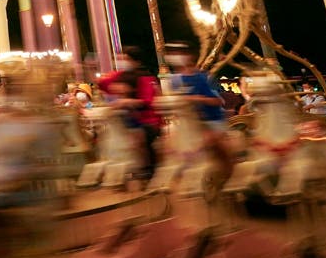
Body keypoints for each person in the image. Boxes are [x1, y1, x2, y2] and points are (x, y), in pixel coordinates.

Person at [165, 42, 232, 179]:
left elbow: (219, 101)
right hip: (187, 123)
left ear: (189, 56)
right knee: (165, 145)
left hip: (211, 120)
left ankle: (230, 171)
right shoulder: (174, 80)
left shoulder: (204, 77)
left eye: (178, 54)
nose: (174, 57)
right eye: (171, 54)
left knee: (218, 143)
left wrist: (197, 99)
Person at [98, 47, 161, 180]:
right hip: (127, 119)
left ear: (136, 61)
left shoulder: (145, 77)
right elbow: (103, 84)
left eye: (125, 59)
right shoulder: (120, 75)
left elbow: (148, 101)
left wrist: (127, 101)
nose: (121, 62)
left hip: (146, 119)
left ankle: (148, 170)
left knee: (139, 138)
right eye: (120, 59)